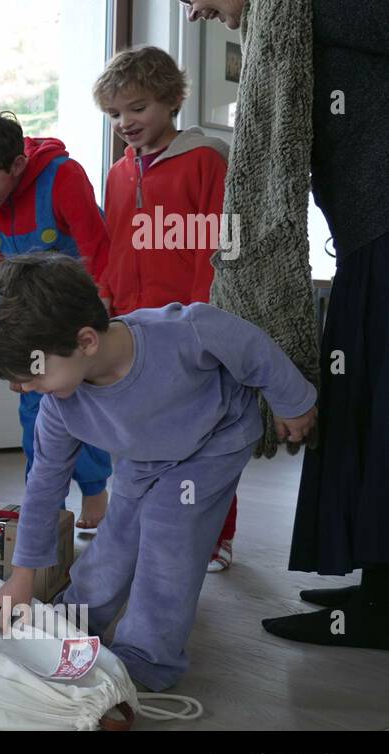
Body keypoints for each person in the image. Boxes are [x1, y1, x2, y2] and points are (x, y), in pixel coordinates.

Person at [0, 252, 316, 690]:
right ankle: (75, 619)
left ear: (86, 341)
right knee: (118, 535)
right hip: (145, 454)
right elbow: (44, 485)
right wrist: (22, 579)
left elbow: (253, 350)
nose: (22, 388)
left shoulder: (181, 332)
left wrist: (294, 403)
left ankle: (146, 657)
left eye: (32, 375)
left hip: (213, 443)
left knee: (168, 535)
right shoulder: (58, 407)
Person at [186, 0, 389, 649]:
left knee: (379, 410)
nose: (193, 12)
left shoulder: (317, 5)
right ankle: (376, 584)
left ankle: (381, 605)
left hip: (383, 229)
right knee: (364, 405)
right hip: (366, 234)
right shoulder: (292, 16)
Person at [92, 45, 239, 572]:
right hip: (130, 325)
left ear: (171, 100)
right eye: (114, 114)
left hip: (188, 324)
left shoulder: (205, 160)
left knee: (202, 434)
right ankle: (139, 531)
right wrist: (105, 295)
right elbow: (114, 243)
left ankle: (216, 536)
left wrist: (202, 316)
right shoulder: (118, 172)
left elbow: (216, 246)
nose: (125, 122)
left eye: (137, 108)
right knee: (135, 433)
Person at [0, 110, 112, 529]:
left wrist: (103, 312)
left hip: (76, 315)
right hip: (26, 318)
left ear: (16, 166)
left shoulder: (63, 176)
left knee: (85, 406)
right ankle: (45, 502)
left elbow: (98, 246)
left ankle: (95, 493)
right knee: (34, 412)